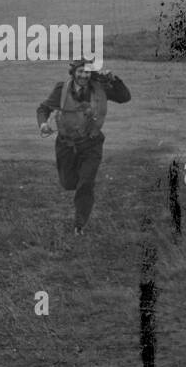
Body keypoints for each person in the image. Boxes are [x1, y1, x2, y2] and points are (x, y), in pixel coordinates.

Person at [37, 58, 131, 235]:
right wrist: (43, 124)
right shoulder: (61, 89)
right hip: (66, 144)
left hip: (91, 144)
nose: (83, 75)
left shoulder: (101, 88)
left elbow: (125, 97)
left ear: (91, 74)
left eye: (87, 72)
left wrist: (113, 79)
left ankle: (79, 225)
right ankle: (78, 190)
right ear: (73, 72)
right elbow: (43, 109)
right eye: (80, 71)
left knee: (86, 183)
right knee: (68, 183)